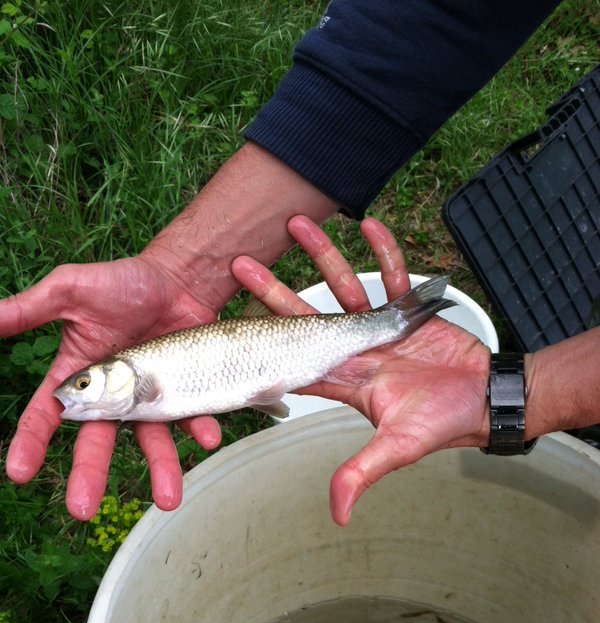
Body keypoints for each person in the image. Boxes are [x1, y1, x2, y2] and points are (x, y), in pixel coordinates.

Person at [1, 0, 597, 524]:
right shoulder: (142, 379)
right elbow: (432, 13)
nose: (74, 393)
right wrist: (527, 394)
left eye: (83, 384)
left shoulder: (142, 380)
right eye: (82, 385)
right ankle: (398, 321)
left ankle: (396, 322)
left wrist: (525, 398)